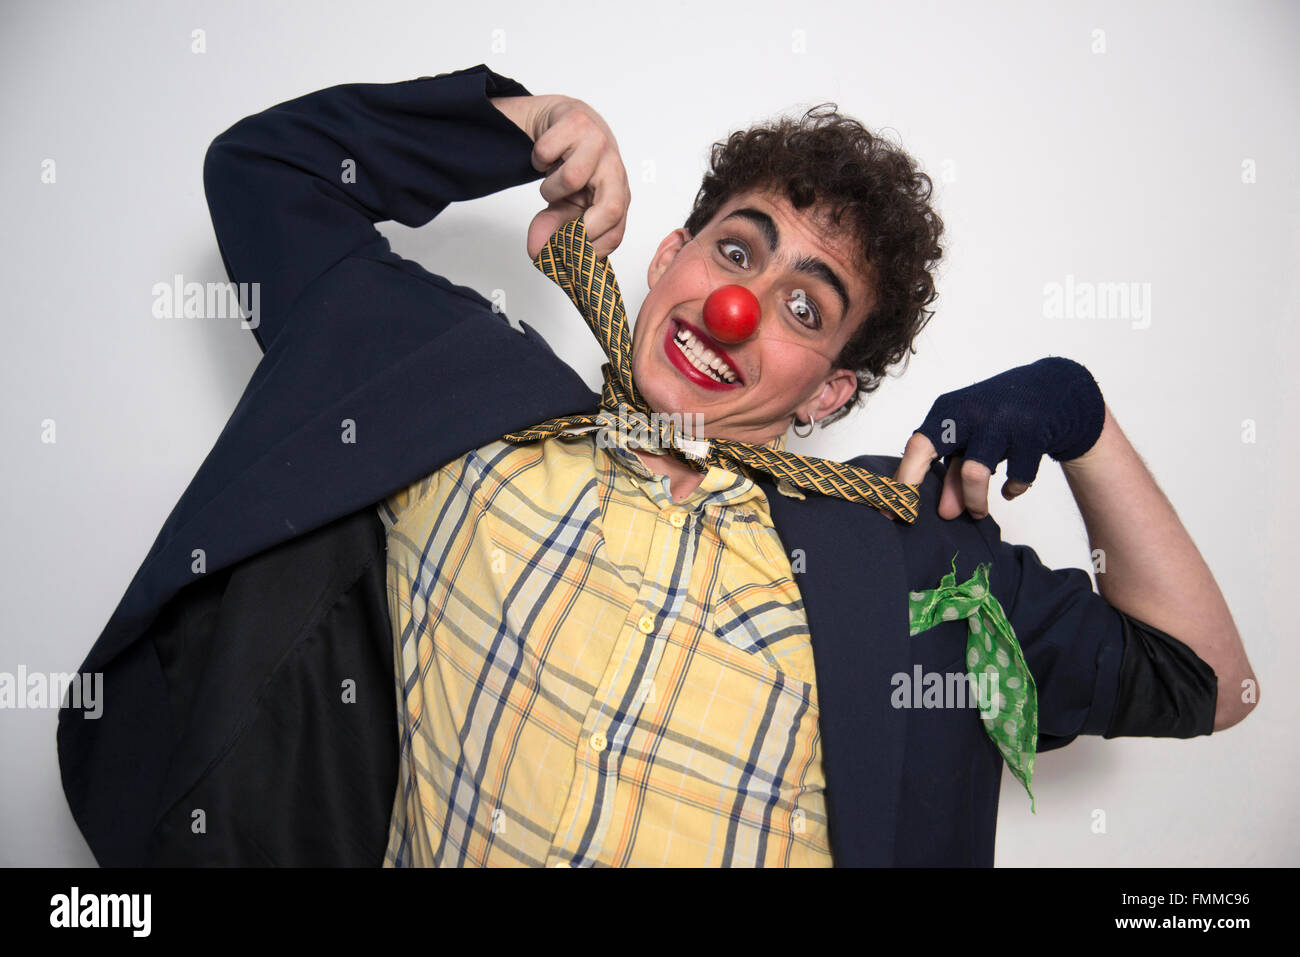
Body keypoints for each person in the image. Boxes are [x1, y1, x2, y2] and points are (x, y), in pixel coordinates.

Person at [57, 63, 1256, 868]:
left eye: (802, 305)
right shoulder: (453, 399)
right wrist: (511, 120)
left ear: (830, 390)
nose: (735, 306)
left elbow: (1208, 684)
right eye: (735, 248)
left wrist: (1086, 421)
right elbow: (264, 176)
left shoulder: (911, 569)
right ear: (671, 255)